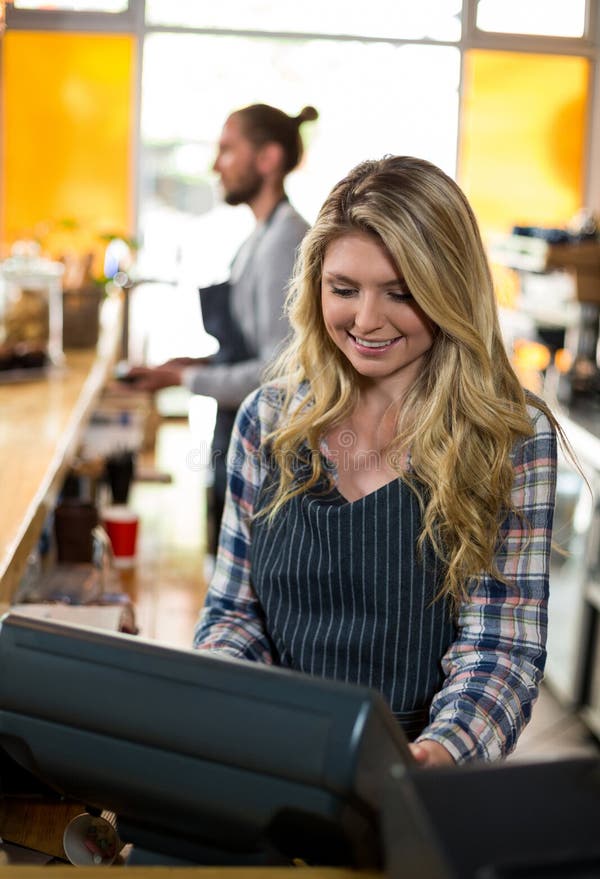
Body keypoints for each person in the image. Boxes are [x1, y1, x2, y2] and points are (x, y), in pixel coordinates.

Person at [193, 155, 561, 768]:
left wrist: (439, 753)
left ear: (450, 292)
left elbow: (499, 647)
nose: (366, 320)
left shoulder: (511, 438)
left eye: (400, 293)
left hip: (415, 779)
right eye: (344, 290)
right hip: (267, 758)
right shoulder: (269, 420)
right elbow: (235, 612)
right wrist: (224, 700)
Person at [128, 103, 318, 552]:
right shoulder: (260, 236)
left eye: (228, 150)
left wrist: (182, 378)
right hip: (245, 428)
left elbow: (280, 373)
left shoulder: (284, 241)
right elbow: (254, 347)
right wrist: (189, 363)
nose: (216, 165)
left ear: (267, 159)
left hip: (274, 448)